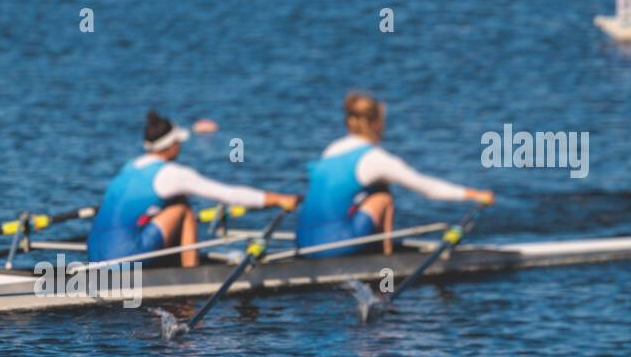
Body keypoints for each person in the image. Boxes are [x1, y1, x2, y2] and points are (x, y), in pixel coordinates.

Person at [88, 111, 299, 267]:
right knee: (183, 210)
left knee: (169, 205)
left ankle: (166, 262)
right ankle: (190, 272)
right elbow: (229, 195)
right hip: (125, 257)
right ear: (171, 145)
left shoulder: (130, 167)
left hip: (95, 253)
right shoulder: (172, 174)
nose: (180, 146)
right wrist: (279, 199)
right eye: (178, 141)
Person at [297, 92, 494, 257]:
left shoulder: (331, 149)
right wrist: (476, 195)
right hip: (334, 244)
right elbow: (428, 189)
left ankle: (369, 246)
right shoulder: (376, 159)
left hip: (303, 243)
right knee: (382, 194)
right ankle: (386, 258)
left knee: (367, 191)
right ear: (376, 123)